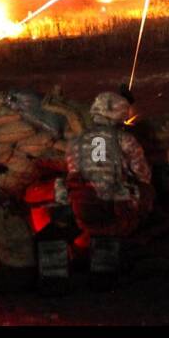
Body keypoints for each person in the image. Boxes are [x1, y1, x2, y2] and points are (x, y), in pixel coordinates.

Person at [65, 91, 153, 274]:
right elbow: (143, 174)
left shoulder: (75, 141)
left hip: (84, 213)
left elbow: (73, 172)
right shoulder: (125, 140)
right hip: (116, 213)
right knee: (147, 191)